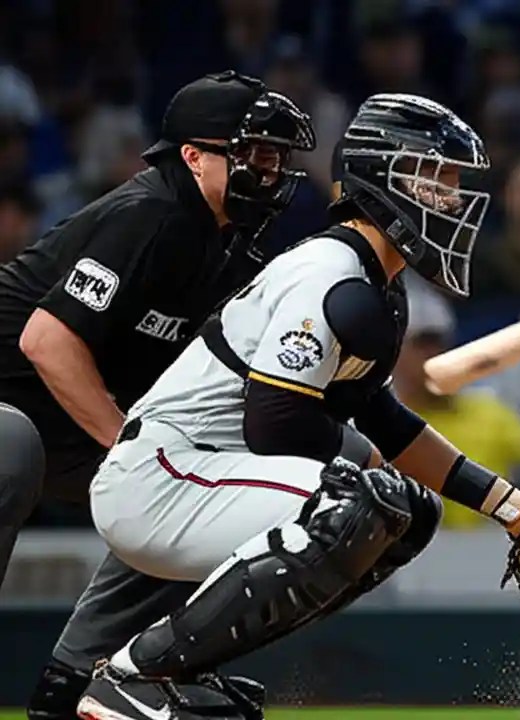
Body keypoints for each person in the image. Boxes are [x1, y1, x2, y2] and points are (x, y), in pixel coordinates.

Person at [69, 94, 520, 720]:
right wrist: (369, 464)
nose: (454, 199)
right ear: (388, 178)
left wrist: (517, 511)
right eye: (440, 179)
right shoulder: (328, 272)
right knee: (362, 502)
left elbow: (382, 417)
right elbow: (274, 422)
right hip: (166, 474)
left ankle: (178, 670)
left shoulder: (375, 278)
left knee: (410, 513)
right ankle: (136, 675)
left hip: (216, 478)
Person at [5, 71, 316, 720]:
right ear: (194, 157)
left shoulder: (231, 245)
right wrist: (130, 445)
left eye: (279, 158)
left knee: (194, 487)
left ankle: (77, 683)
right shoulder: (150, 213)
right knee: (19, 446)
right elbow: (46, 342)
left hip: (61, 421)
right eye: (256, 154)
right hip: (16, 409)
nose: (273, 172)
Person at [391, 278, 520, 529]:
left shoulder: (488, 409)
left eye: (439, 343)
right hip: (409, 554)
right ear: (397, 352)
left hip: (486, 550)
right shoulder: (381, 421)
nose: (434, 354)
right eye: (421, 345)